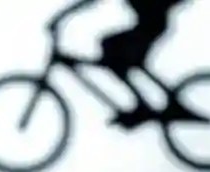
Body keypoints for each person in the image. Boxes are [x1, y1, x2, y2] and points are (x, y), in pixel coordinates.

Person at [49, 0, 191, 125]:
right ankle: (146, 105)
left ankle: (144, 107)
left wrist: (60, 17)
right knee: (120, 57)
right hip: (150, 24)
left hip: (151, 25)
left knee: (113, 51)